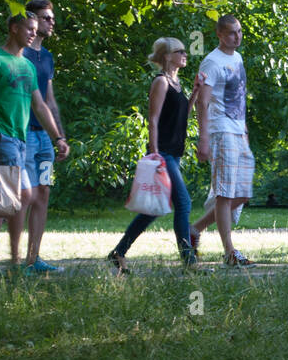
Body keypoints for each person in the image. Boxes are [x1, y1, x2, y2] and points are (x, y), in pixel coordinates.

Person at [0, 13, 71, 277]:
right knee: (22, 195)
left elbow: (39, 104)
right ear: (14, 28)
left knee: (2, 202)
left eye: (36, 29)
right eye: (29, 29)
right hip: (1, 136)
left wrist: (57, 137)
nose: (33, 33)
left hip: (21, 138)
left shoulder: (28, 67)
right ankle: (15, 263)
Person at [108, 38, 195, 273]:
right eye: (180, 51)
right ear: (167, 56)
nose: (185, 54)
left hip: (174, 153)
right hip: (163, 152)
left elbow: (184, 113)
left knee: (152, 210)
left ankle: (118, 253)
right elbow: (153, 119)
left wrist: (195, 91)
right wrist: (155, 153)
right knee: (184, 203)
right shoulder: (161, 82)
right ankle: (189, 262)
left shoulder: (177, 83)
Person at [189, 15, 254, 266]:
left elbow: (239, 97)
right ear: (219, 35)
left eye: (238, 31)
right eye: (230, 33)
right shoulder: (212, 62)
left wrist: (245, 128)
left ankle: (194, 230)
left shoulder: (237, 58)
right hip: (220, 130)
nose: (236, 37)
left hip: (238, 130)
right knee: (226, 193)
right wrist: (203, 138)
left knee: (243, 192)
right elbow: (202, 103)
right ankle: (230, 253)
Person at [18, 0, 66, 272]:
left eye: (52, 18)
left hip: (43, 138)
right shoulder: (19, 54)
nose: (51, 22)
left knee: (43, 192)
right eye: (46, 17)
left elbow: (49, 99)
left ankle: (33, 258)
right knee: (23, 195)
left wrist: (59, 136)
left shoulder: (46, 57)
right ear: (31, 20)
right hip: (21, 134)